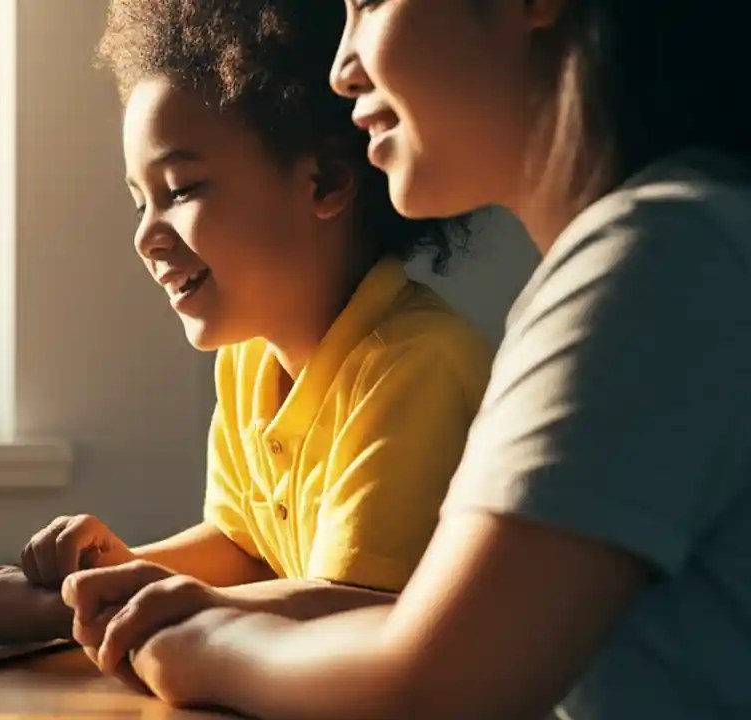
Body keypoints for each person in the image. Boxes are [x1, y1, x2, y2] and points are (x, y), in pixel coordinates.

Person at [63, 1, 751, 717]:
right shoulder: (656, 251)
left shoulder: (665, 260)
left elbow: (438, 682)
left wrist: (205, 644)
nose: (341, 69)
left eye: (370, 3)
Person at [0, 0, 490, 646]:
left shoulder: (414, 366)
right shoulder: (249, 361)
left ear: (324, 181)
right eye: (140, 202)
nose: (146, 237)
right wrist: (113, 572)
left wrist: (70, 609)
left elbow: (359, 611)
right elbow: (247, 552)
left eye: (179, 190)